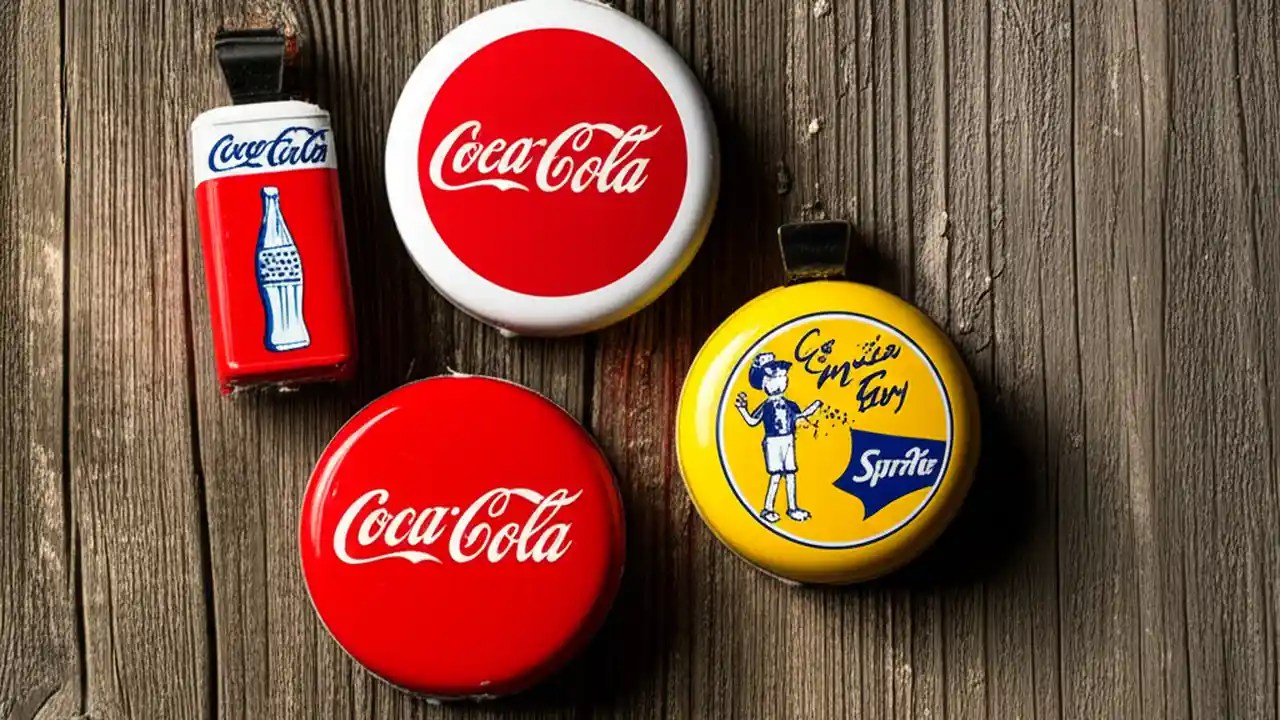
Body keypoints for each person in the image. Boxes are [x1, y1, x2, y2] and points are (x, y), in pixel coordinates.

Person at [734, 352, 822, 522]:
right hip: (773, 442)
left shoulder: (791, 404)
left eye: (782, 376)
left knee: (790, 474)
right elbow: (752, 422)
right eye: (775, 377)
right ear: (764, 383)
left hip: (788, 440)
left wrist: (811, 411)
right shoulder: (766, 406)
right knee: (775, 475)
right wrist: (743, 409)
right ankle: (768, 508)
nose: (780, 380)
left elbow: (799, 417)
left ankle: (793, 508)